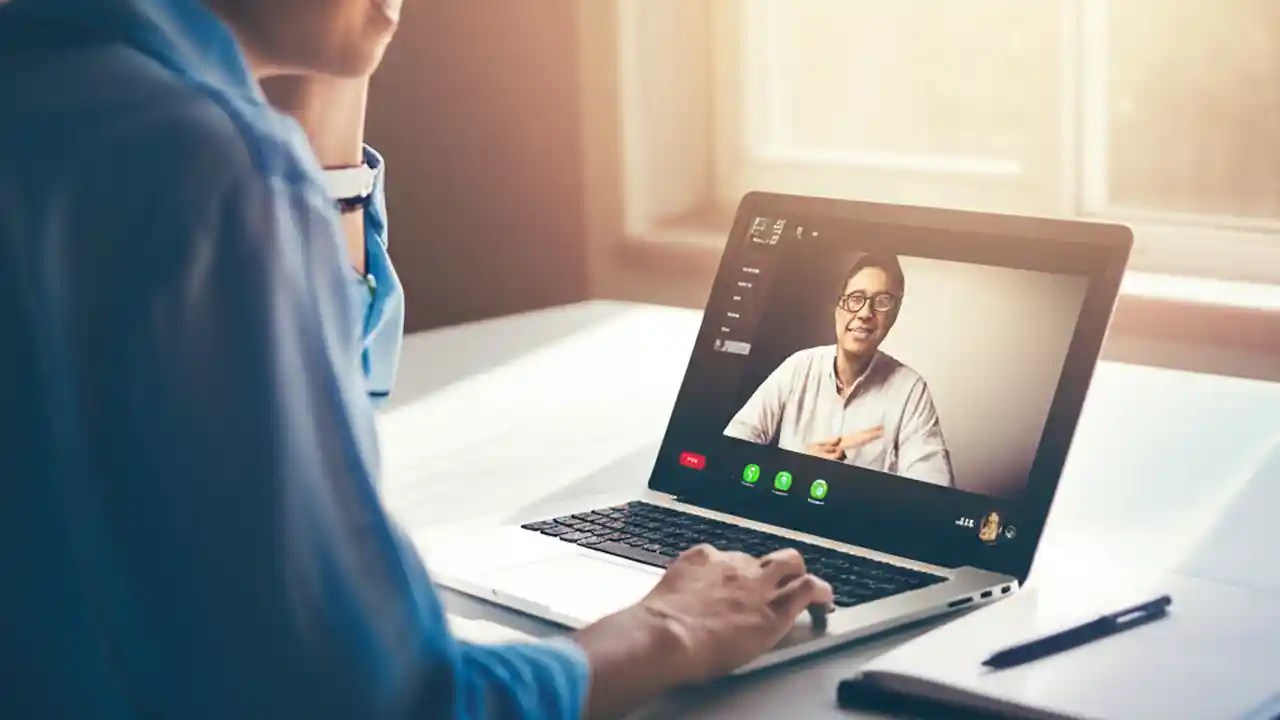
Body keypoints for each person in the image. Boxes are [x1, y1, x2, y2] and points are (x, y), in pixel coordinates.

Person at [0, 1, 832, 718]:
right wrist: (665, 630)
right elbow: (387, 705)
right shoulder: (202, 167)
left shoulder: (58, 84)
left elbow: (330, 379)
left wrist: (327, 74)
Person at [725, 253, 955, 486]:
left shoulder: (910, 390)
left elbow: (934, 487)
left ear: (893, 315)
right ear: (838, 309)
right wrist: (794, 466)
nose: (865, 313)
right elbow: (732, 447)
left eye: (882, 301)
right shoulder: (798, 367)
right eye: (856, 298)